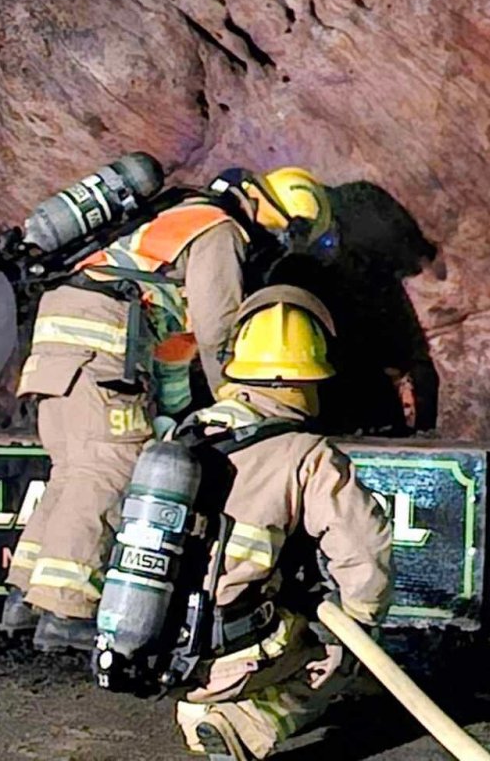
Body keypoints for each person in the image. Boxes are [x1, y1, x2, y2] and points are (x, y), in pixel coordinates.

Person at [3, 167, 335, 652]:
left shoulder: (176, 214)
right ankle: (65, 609)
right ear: (276, 218)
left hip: (63, 347)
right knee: (107, 473)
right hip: (101, 354)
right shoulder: (219, 230)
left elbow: (172, 343)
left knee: (73, 473)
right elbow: (216, 327)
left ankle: (25, 596)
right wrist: (237, 401)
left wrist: (179, 408)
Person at [173, 284, 393, 761]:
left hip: (161, 647)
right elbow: (363, 546)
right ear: (311, 378)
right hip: (233, 652)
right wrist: (359, 621)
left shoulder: (188, 435)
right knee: (332, 650)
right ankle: (246, 723)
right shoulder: (306, 455)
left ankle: (200, 712)